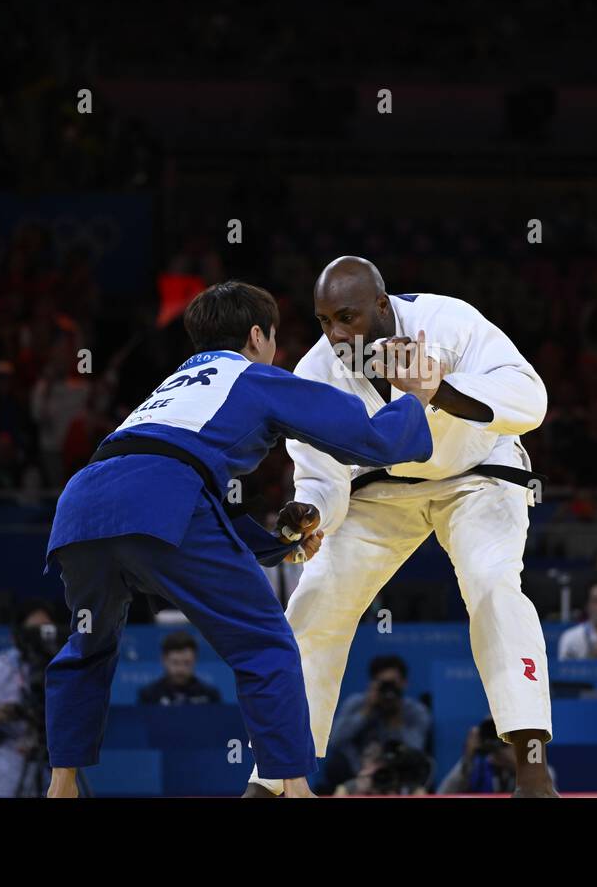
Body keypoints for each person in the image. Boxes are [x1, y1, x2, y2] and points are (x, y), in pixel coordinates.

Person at [43, 281, 436, 799]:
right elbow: (368, 439)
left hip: (82, 508)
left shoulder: (170, 387)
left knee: (88, 646)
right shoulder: (255, 378)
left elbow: (182, 475)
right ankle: (293, 787)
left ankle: (62, 785)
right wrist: (414, 398)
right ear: (257, 335)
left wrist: (278, 546)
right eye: (273, 339)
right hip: (161, 502)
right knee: (267, 644)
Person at [248, 257, 556, 798]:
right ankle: (275, 777)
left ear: (383, 306)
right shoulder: (317, 371)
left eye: (349, 317)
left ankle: (531, 773)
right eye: (325, 321)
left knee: (493, 585)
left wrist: (438, 391)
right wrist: (311, 511)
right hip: (382, 489)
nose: (338, 333)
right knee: (315, 601)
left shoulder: (448, 323)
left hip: (476, 474)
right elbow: (321, 474)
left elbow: (531, 399)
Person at [0, 600, 65, 796]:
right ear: (17, 636)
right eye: (33, 631)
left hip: (55, 765)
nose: (39, 639)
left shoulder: (64, 670)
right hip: (10, 767)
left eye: (44, 631)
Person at [322, 655, 431, 788]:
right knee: (337, 764)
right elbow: (335, 740)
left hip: (398, 773)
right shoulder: (357, 704)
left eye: (392, 684)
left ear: (404, 683)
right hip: (357, 772)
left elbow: (416, 749)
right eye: (384, 684)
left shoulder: (415, 711)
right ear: (373, 683)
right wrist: (365, 712)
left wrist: (396, 720)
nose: (388, 690)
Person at [137, 632, 222, 705]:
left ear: (195, 660)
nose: (181, 669)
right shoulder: (149, 696)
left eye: (187, 663)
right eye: (175, 662)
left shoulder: (210, 695)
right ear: (164, 660)